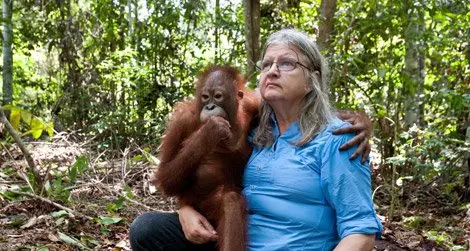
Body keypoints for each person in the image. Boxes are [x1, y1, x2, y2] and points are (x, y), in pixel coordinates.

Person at [130, 29, 382, 250]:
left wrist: (362, 120)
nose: (272, 71)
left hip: (291, 244)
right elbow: (183, 179)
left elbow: (361, 233)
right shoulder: (258, 126)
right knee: (148, 229)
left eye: (286, 64)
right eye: (266, 64)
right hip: (232, 238)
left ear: (311, 81)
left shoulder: (337, 139)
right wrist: (185, 207)